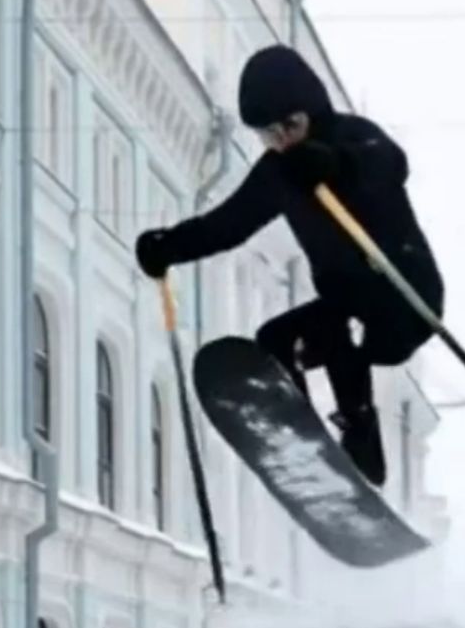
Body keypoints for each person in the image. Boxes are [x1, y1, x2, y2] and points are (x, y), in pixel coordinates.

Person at [134, 45, 444, 487]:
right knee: (275, 342)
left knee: (346, 329)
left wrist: (334, 165)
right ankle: (313, 440)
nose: (282, 142)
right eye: (268, 134)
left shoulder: (353, 136)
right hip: (346, 302)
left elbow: (390, 163)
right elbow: (229, 224)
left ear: (312, 114)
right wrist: (170, 246)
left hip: (406, 299)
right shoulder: (278, 172)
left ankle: (358, 432)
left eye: (290, 127)